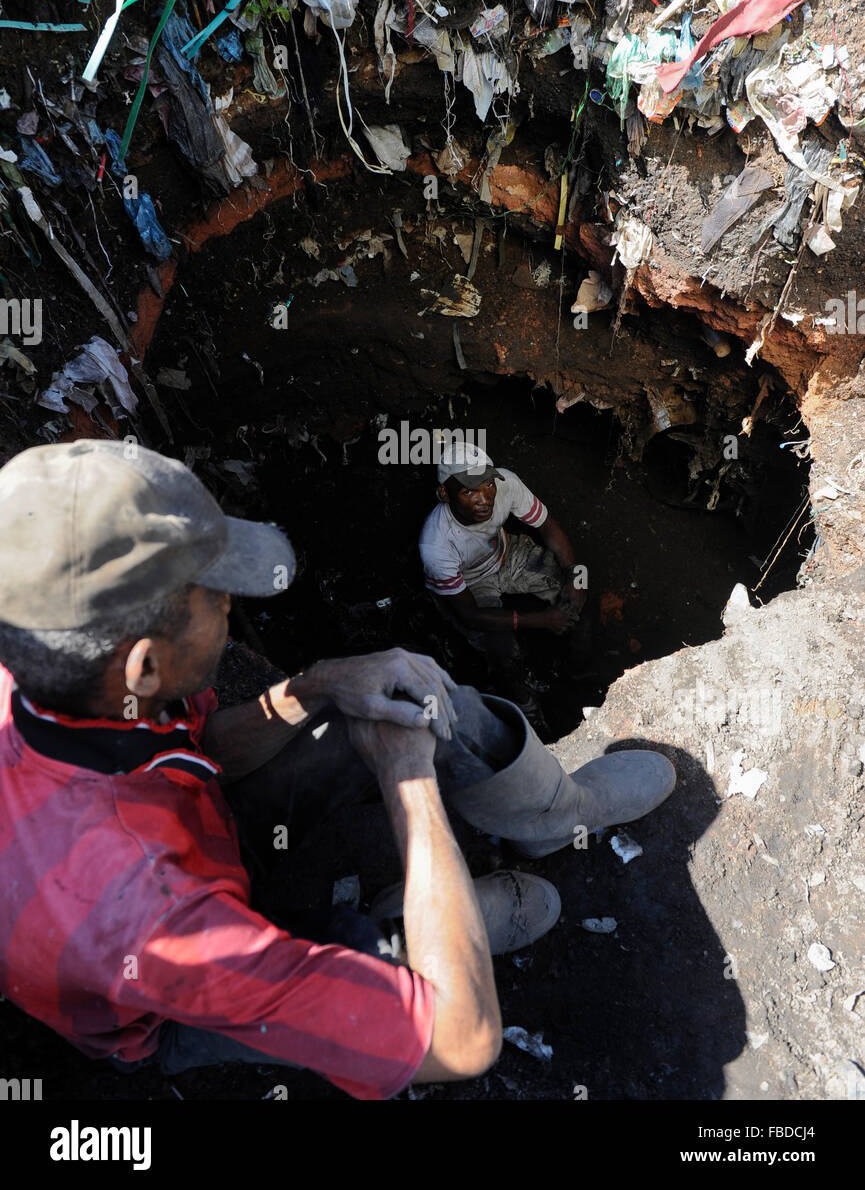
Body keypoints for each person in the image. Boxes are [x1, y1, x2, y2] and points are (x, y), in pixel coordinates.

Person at [0, 439, 675, 1100]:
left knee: (411, 701)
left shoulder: (52, 660)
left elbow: (201, 743)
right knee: (380, 910)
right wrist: (406, 782)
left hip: (191, 820)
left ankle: (557, 818)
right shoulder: (143, 921)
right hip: (167, 992)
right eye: (214, 598)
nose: (231, 604)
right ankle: (389, 934)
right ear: (143, 666)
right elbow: (461, 1039)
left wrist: (320, 684)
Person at [419, 443, 588, 716]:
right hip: (469, 585)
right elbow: (470, 614)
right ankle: (524, 705)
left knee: (575, 598)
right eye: (468, 490)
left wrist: (576, 577)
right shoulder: (436, 545)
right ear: (444, 494)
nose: (484, 498)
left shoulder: (506, 481)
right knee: (501, 649)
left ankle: (580, 671)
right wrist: (543, 620)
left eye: (487, 484)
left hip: (506, 553)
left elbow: (547, 524)